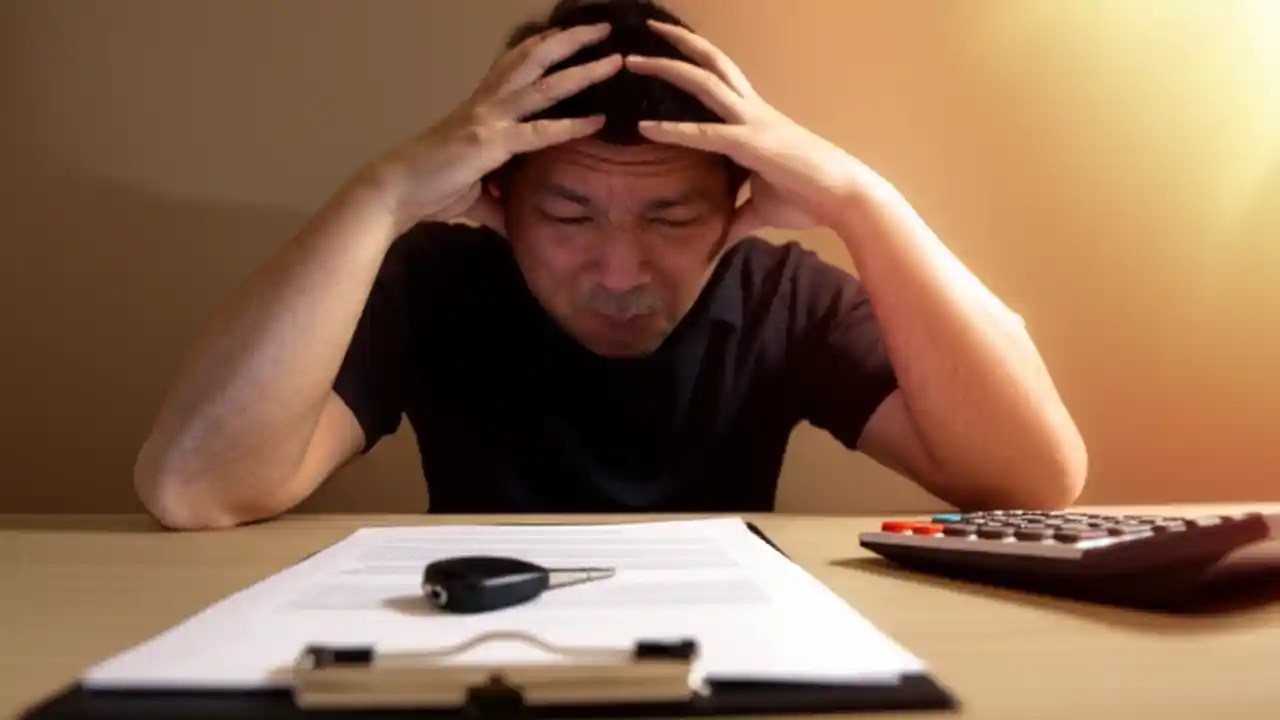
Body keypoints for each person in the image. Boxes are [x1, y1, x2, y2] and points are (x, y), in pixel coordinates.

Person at [133, 0, 1087, 529]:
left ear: (738, 205)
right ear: (495, 199)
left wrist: (861, 203)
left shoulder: (778, 295)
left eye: (672, 215)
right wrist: (381, 195)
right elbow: (196, 488)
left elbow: (1033, 478)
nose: (620, 270)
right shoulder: (432, 282)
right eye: (568, 211)